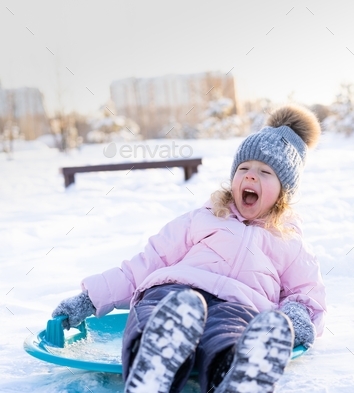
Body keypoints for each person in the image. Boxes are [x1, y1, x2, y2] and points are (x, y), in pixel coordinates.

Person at [51, 104, 327, 393]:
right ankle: (152, 367)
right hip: (174, 292)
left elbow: (307, 294)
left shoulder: (291, 243)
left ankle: (234, 374)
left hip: (239, 304)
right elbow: (147, 263)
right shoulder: (204, 217)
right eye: (243, 168)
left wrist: (297, 315)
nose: (250, 176)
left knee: (229, 334)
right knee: (158, 315)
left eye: (265, 172)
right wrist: (90, 299)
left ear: (284, 192)